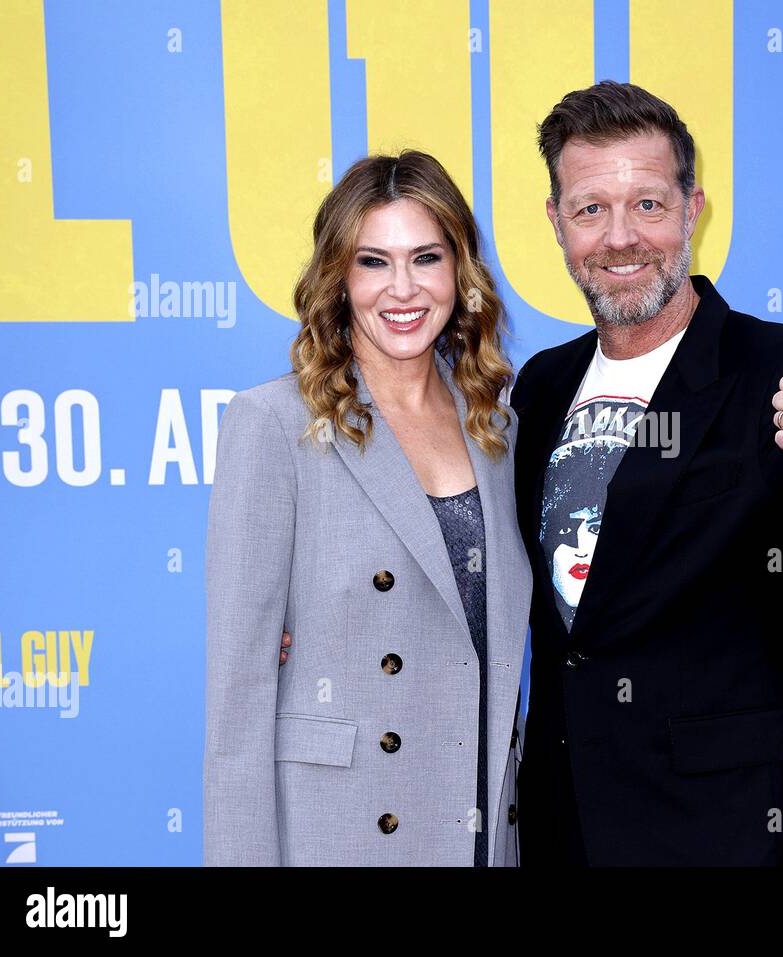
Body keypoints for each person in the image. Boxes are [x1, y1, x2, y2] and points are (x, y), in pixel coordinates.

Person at [509, 81, 783, 866]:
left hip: (723, 823)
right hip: (562, 814)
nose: (619, 238)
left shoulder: (780, 368)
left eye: (647, 204)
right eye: (590, 209)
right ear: (556, 222)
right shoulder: (537, 386)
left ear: (691, 208)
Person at [203, 151, 531, 866]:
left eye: (427, 257)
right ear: (339, 279)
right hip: (343, 831)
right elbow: (239, 693)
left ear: (460, 271)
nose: (404, 288)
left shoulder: (498, 428)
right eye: (373, 262)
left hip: (476, 829)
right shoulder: (276, 423)